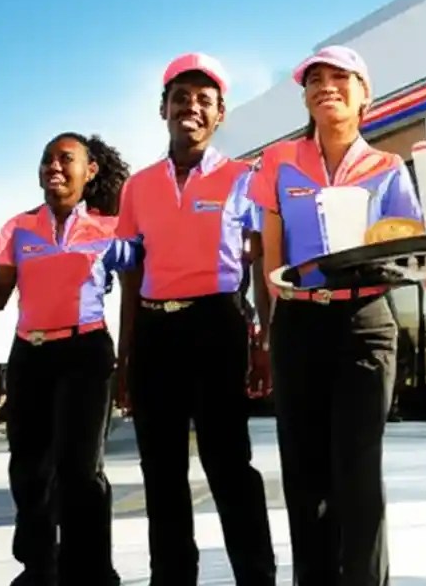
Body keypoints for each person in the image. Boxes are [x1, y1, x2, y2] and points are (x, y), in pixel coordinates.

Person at [250, 44, 422, 586]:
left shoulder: (387, 168)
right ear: (304, 95)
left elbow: (408, 248)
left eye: (340, 77)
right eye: (315, 79)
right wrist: (273, 324)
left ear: (364, 93)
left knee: (358, 475)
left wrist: (376, 263)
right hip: (299, 322)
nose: (327, 86)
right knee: (304, 476)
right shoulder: (279, 161)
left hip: (364, 324)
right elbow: (269, 254)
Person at [116, 53, 276, 586]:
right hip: (156, 332)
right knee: (160, 474)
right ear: (163, 108)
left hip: (219, 326)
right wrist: (126, 355)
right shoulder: (136, 188)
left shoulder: (243, 179)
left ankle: (256, 577)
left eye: (204, 100)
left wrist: (262, 343)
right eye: (181, 97)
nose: (191, 107)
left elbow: (260, 260)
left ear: (220, 114)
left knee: (229, 467)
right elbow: (131, 275)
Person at [0, 132, 135, 586]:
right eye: (46, 160)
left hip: (85, 354)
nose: (53, 167)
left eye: (65, 159)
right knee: (29, 466)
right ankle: (39, 566)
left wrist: (131, 358)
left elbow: (140, 280)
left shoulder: (107, 228)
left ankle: (91, 572)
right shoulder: (18, 227)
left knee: (79, 470)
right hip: (29, 355)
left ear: (89, 171)